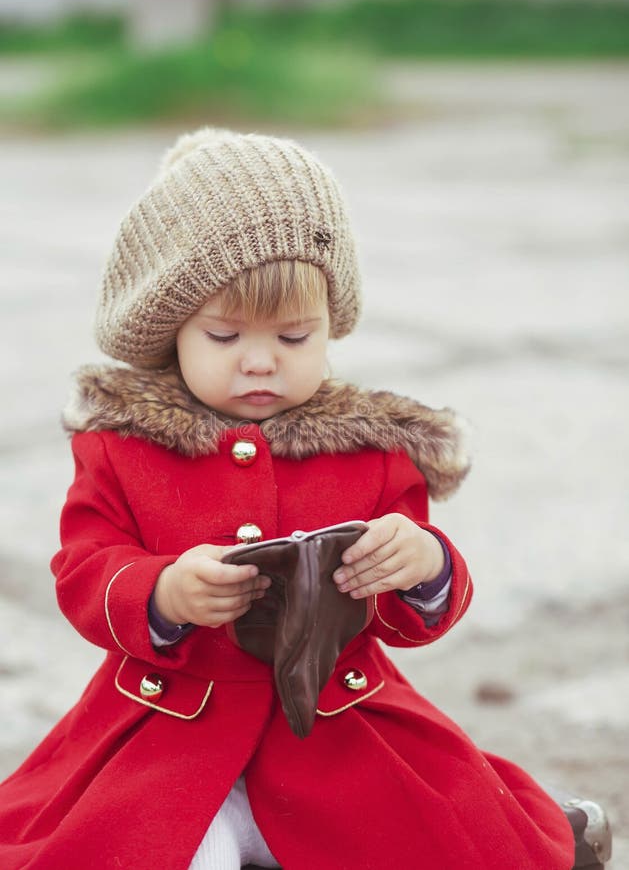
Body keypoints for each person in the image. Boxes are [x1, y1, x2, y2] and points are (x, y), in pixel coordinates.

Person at [0, 128, 574, 869]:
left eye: (296, 336)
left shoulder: (370, 450)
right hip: (170, 732)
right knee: (143, 846)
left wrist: (421, 563)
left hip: (336, 729)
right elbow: (84, 570)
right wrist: (163, 591)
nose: (262, 360)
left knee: (440, 835)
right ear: (169, 331)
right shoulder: (123, 448)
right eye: (225, 334)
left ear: (331, 327)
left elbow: (409, 616)